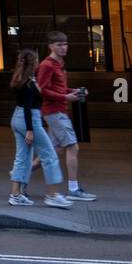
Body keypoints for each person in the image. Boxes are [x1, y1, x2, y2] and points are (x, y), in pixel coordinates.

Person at [36, 32, 97, 201]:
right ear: (50, 46)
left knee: (52, 152)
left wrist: (72, 91)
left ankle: (19, 178)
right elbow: (41, 89)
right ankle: (74, 188)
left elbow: (56, 88)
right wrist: (65, 97)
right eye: (59, 44)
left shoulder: (59, 64)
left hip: (59, 111)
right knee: (72, 147)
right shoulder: (47, 65)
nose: (64, 47)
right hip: (54, 111)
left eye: (65, 44)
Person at [7, 49, 71, 209]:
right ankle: (53, 195)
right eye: (36, 60)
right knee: (49, 155)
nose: (38, 63)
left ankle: (15, 195)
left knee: (22, 157)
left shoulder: (22, 79)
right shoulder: (29, 83)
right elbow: (29, 107)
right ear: (33, 62)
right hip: (30, 120)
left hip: (17, 118)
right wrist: (30, 130)